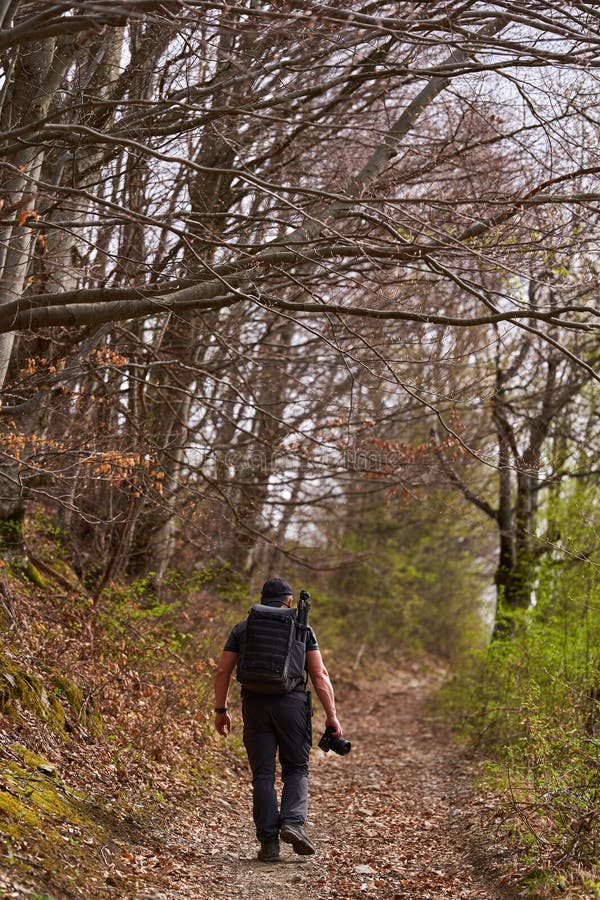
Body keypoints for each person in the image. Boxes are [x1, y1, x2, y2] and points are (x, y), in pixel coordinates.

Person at [213, 576, 343, 862]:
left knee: (262, 774)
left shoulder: (243, 627)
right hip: (292, 705)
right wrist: (332, 716)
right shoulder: (301, 629)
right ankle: (293, 823)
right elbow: (319, 675)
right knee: (296, 768)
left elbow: (222, 672)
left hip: (254, 705)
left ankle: (269, 843)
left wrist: (220, 711)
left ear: (262, 600)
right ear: (289, 601)